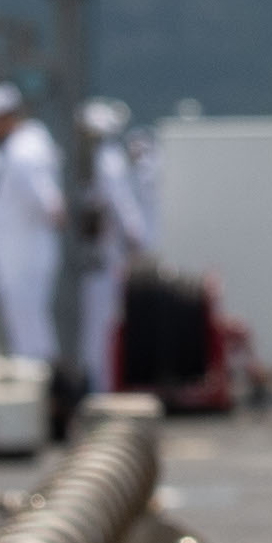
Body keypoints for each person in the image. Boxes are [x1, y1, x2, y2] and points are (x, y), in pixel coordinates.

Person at [0, 80, 65, 363]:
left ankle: (45, 391)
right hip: (19, 253)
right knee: (24, 327)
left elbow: (50, 205)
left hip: (25, 254)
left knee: (30, 327)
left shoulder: (24, 151)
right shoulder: (19, 147)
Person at [75, 97, 156, 397]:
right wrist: (138, 240)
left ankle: (93, 385)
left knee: (92, 325)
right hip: (102, 254)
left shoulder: (85, 159)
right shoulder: (108, 158)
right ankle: (100, 388)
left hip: (92, 252)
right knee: (101, 325)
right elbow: (122, 205)